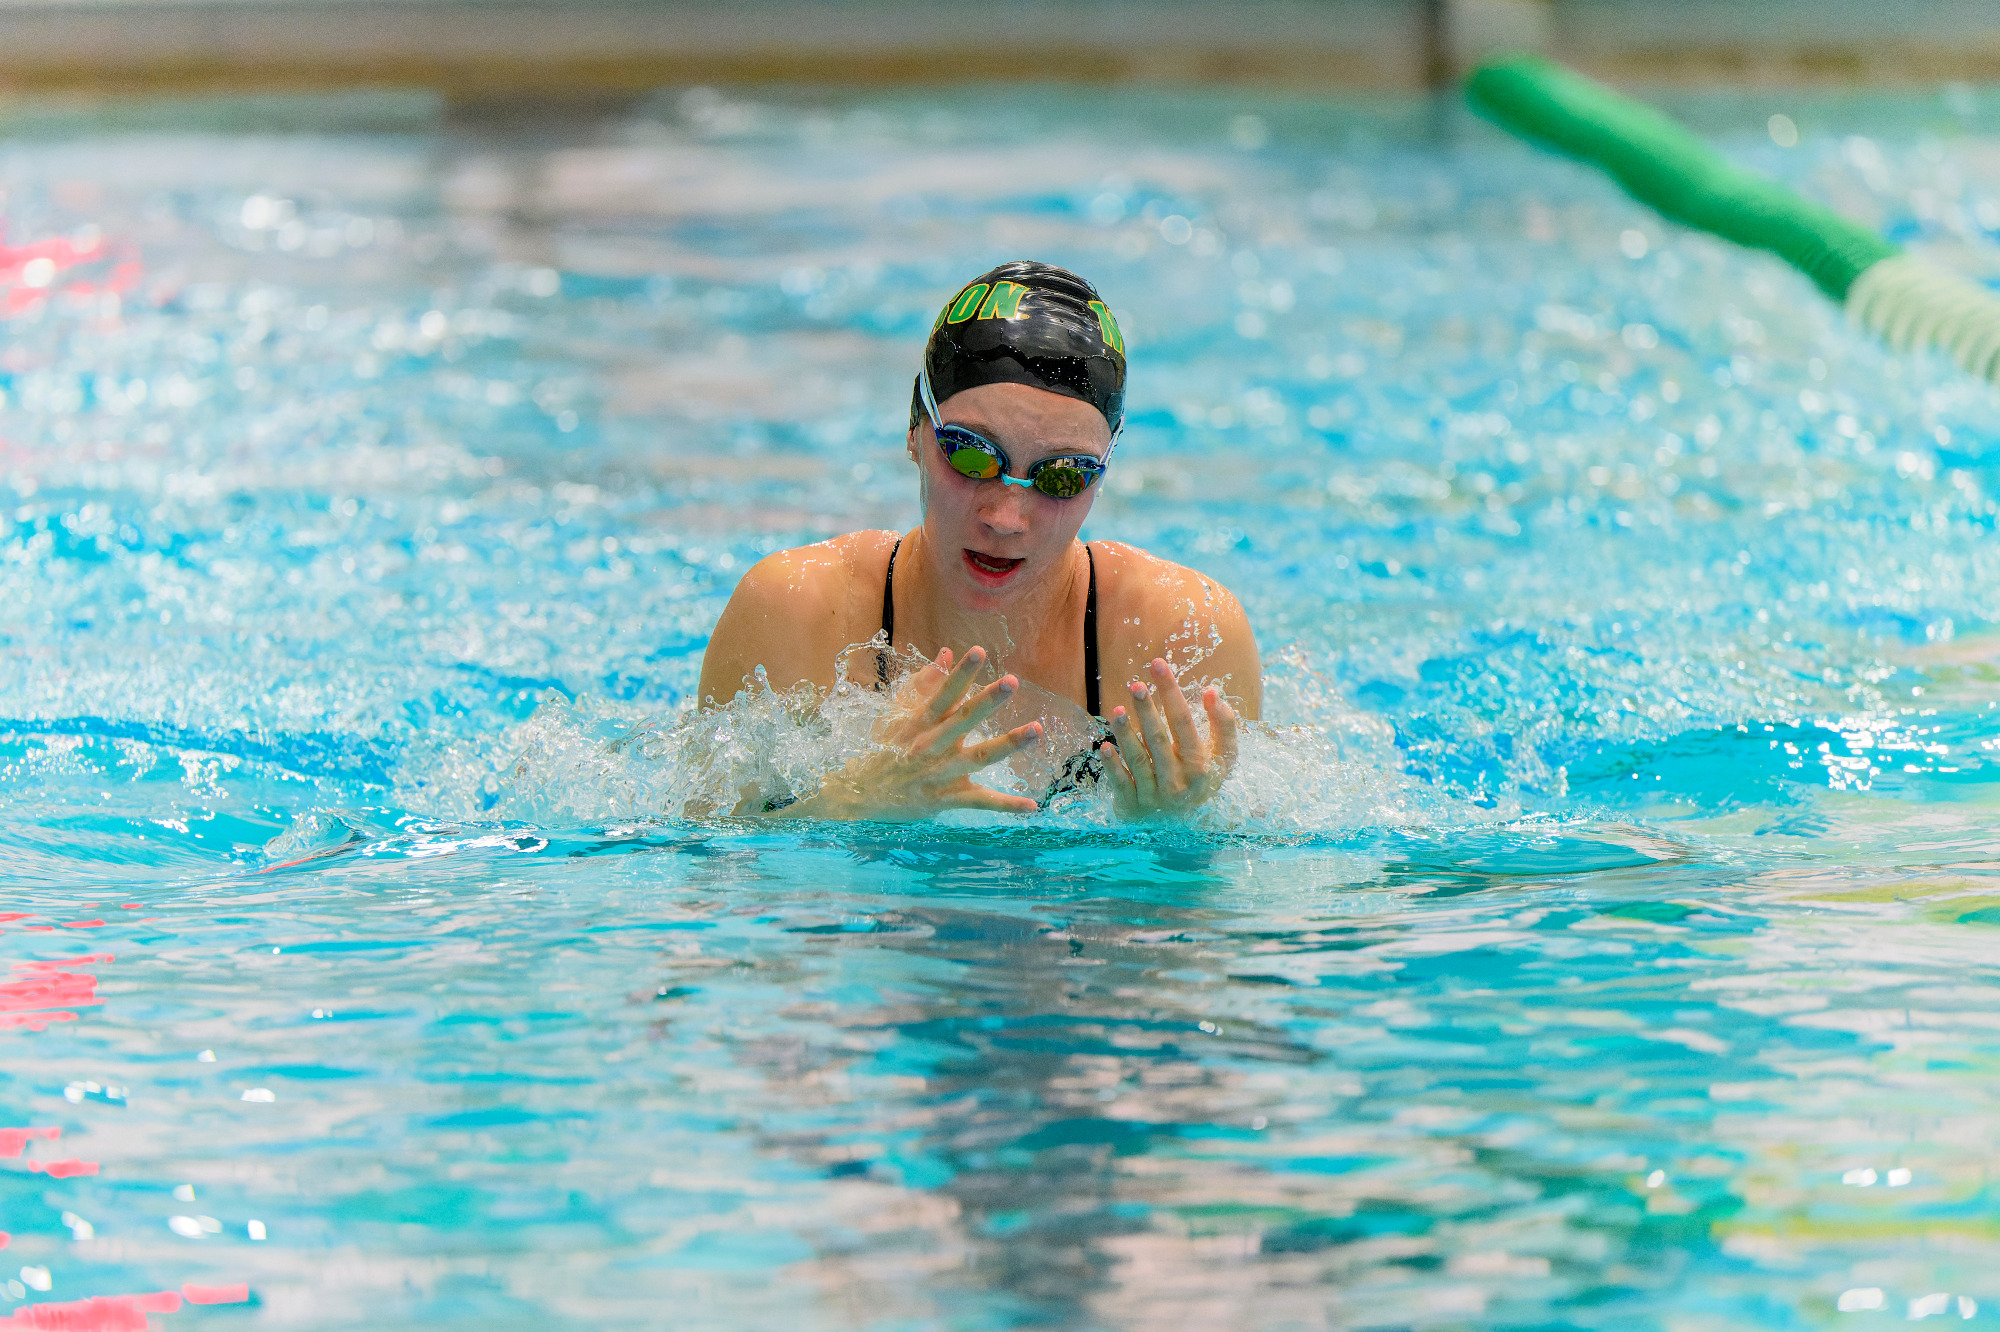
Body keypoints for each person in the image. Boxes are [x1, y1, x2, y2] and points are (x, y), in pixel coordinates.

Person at [697, 261, 1261, 821]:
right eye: (971, 453)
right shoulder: (799, 611)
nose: (1006, 516)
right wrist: (849, 805)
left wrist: (1169, 836)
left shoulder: (1182, 635)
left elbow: (1248, 884)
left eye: (1063, 474)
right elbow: (704, 864)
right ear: (916, 430)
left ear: (1102, 474)